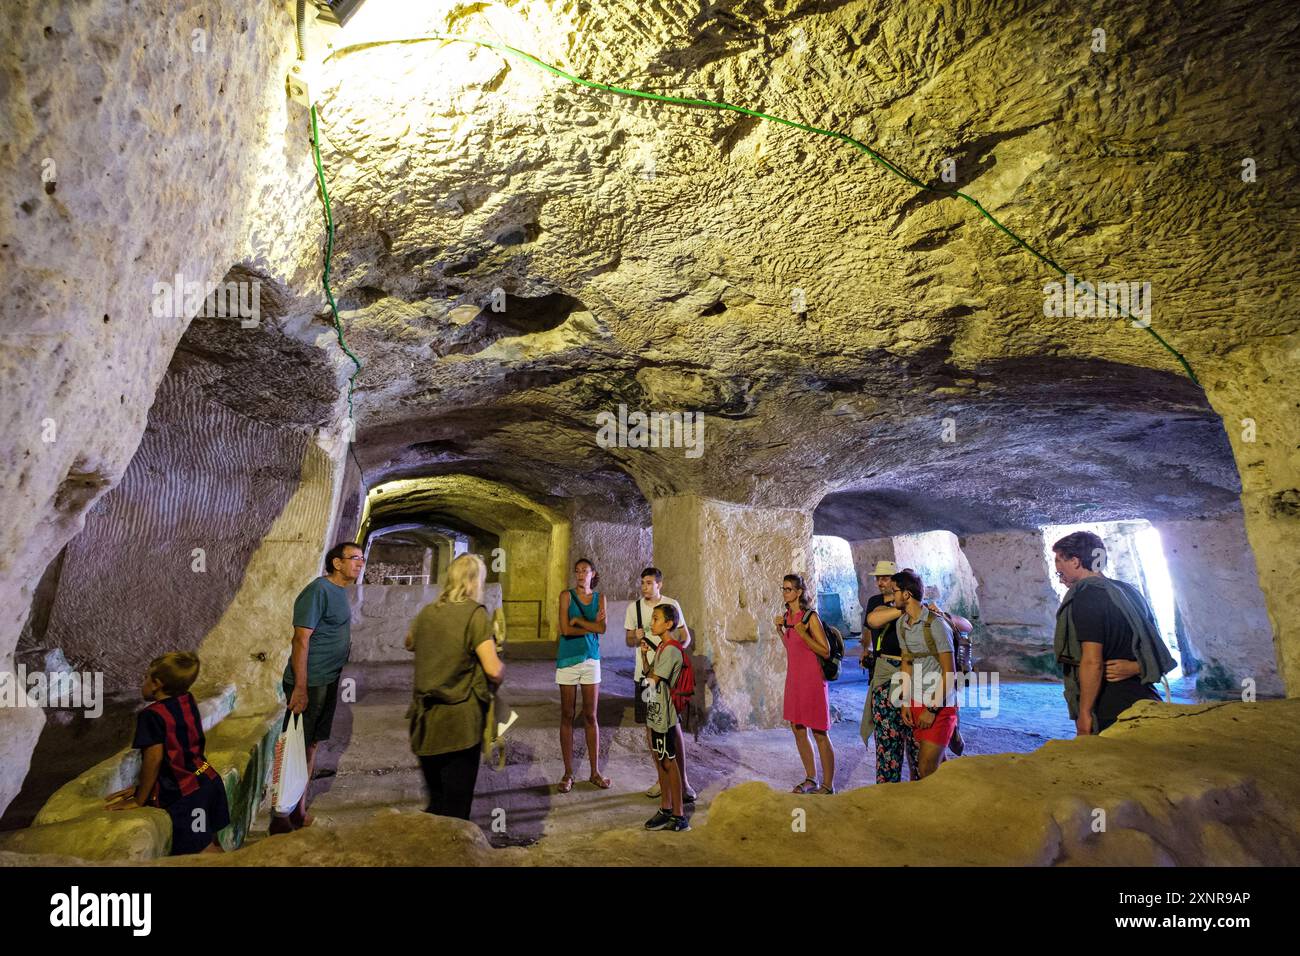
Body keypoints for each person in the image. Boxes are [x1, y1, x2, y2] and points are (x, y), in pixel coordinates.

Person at [273, 540, 364, 835]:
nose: (360, 564)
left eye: (362, 559)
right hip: (309, 682)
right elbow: (301, 640)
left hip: (325, 679)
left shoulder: (339, 592)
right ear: (337, 563)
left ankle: (297, 811)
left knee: (309, 745)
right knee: (295, 747)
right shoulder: (318, 591)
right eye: (354, 558)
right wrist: (300, 687)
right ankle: (281, 816)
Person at [404, 553, 504, 819]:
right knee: (456, 809)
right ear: (474, 581)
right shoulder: (475, 614)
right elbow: (493, 670)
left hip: (425, 722)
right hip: (459, 723)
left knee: (436, 803)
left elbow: (410, 642)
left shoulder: (427, 612)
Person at [1052, 531, 1176, 735]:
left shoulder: (1086, 597)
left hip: (1110, 705)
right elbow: (1153, 646)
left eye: (1058, 560)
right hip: (1145, 697)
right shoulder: (1128, 591)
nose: (1057, 568)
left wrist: (1084, 713)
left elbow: (1092, 662)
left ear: (1075, 561)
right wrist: (1138, 666)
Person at [106, 652, 230, 855]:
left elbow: (153, 759)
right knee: (214, 844)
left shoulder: (151, 716)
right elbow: (180, 747)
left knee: (204, 853)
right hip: (208, 779)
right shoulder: (187, 700)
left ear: (157, 684)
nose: (143, 682)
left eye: (145, 677)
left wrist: (140, 798)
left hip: (187, 794)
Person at [624, 567, 696, 802]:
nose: (644, 587)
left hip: (666, 679)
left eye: (648, 583)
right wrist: (636, 637)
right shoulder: (633, 609)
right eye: (642, 583)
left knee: (672, 727)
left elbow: (685, 636)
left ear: (659, 584)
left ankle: (683, 782)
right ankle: (661, 779)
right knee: (651, 727)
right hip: (645, 678)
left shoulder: (670, 605)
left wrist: (674, 654)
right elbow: (628, 641)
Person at [886, 569, 958, 779]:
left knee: (926, 768)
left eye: (894, 591)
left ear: (906, 594)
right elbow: (907, 662)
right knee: (938, 766)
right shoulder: (902, 624)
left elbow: (950, 672)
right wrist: (906, 701)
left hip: (939, 705)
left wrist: (932, 709)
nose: (892, 597)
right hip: (916, 701)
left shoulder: (936, 625)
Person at [774, 573, 835, 794]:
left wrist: (803, 632)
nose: (785, 593)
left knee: (819, 731)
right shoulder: (787, 616)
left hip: (812, 680)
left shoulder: (810, 617)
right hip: (795, 679)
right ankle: (811, 778)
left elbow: (825, 651)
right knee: (798, 728)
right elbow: (793, 649)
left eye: (788, 589)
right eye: (783, 589)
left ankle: (828, 785)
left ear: (799, 592)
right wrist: (781, 632)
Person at [860, 562, 919, 783]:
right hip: (886, 671)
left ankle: (920, 789)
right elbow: (872, 621)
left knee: (917, 742)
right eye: (878, 578)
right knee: (887, 739)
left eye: (885, 578)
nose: (880, 582)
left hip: (914, 671)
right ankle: (887, 792)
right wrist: (905, 606)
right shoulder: (877, 602)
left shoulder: (918, 608)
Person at [556, 557, 610, 792]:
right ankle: (568, 774)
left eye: (584, 571)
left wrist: (577, 619)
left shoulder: (600, 598)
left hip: (591, 660)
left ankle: (595, 772)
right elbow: (564, 629)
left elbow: (602, 629)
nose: (580, 574)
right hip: (568, 660)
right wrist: (587, 624)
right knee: (567, 714)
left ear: (593, 574)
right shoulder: (565, 596)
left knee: (591, 716)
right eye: (577, 571)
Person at [639, 604, 691, 832]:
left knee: (669, 762)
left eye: (656, 618)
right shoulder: (661, 646)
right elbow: (649, 672)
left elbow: (653, 679)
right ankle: (666, 807)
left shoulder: (670, 649)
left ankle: (679, 815)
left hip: (665, 715)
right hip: (656, 713)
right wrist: (643, 655)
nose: (653, 622)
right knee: (661, 761)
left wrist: (646, 683)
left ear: (669, 624)